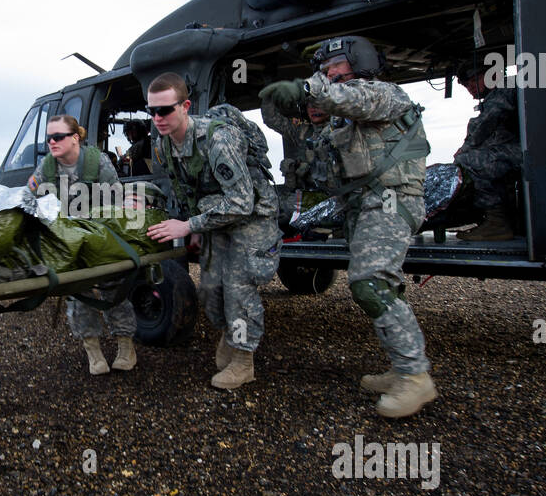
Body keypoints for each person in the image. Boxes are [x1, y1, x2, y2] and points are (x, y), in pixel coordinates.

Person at [260, 35, 438, 418]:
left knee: (369, 282)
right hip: (362, 203)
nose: (327, 72)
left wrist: (309, 86)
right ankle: (402, 367)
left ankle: (415, 377)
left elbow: (345, 97)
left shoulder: (383, 95)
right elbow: (320, 135)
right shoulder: (343, 112)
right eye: (323, 69)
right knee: (380, 286)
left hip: (389, 199)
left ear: (359, 62)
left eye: (334, 66)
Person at [144, 73, 281, 390]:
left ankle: (244, 361)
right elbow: (188, 190)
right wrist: (195, 227)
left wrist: (189, 225)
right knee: (209, 289)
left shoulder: (218, 140)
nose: (157, 118)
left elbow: (242, 202)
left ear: (185, 106)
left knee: (238, 289)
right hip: (214, 217)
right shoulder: (164, 146)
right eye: (151, 111)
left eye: (165, 110)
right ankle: (230, 334)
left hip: (252, 217)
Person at [27, 115, 137, 374]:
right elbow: (28, 198)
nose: (52, 142)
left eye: (58, 137)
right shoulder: (47, 167)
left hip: (99, 235)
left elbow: (117, 200)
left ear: (75, 138)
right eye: (49, 138)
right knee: (78, 294)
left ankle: (125, 346)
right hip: (66, 240)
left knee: (114, 287)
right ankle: (93, 351)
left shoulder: (96, 161)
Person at [453, 53, 522, 240]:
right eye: (467, 85)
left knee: (469, 161)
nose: (471, 88)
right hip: (525, 150)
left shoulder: (506, 87)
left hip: (528, 151)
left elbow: (485, 122)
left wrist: (464, 149)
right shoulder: (502, 90)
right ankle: (502, 219)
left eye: (474, 81)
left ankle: (497, 223)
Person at [260, 82, 325, 229]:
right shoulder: (302, 131)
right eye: (310, 106)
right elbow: (272, 119)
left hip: (335, 196)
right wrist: (269, 95)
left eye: (319, 105)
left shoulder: (340, 129)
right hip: (305, 196)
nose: (314, 109)